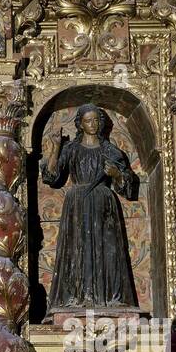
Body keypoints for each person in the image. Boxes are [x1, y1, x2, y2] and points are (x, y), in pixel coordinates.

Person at [40, 103, 139, 312]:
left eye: (96, 120)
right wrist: (56, 147)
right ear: (80, 124)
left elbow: (128, 187)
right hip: (77, 203)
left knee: (109, 250)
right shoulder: (72, 149)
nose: (92, 124)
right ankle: (77, 297)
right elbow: (51, 176)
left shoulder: (110, 151)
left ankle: (109, 298)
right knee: (77, 249)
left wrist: (117, 174)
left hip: (103, 203)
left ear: (101, 123)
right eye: (88, 120)